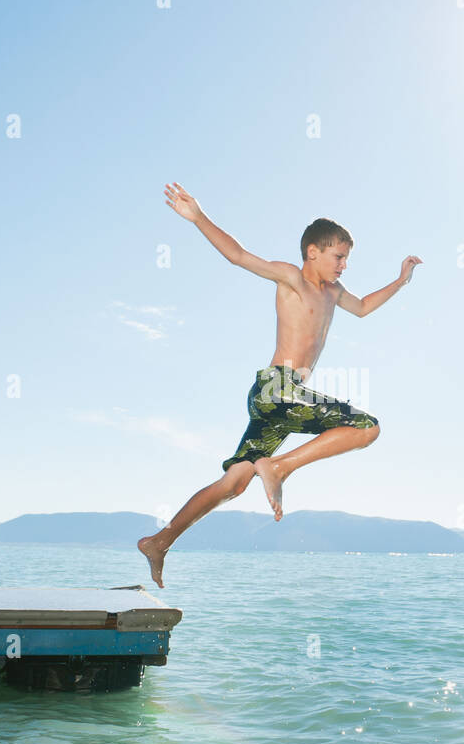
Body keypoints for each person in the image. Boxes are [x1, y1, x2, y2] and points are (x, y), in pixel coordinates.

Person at [138, 182, 422, 587]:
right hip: (278, 389)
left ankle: (160, 542)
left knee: (233, 484)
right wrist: (198, 216)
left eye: (347, 259)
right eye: (339, 257)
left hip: (283, 402)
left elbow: (362, 308)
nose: (344, 266)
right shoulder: (292, 278)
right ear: (313, 252)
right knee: (367, 427)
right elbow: (238, 256)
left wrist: (400, 281)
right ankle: (279, 468)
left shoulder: (334, 293)